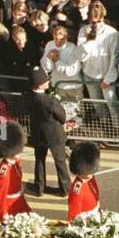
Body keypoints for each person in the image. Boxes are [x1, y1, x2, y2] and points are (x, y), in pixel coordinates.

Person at [25, 67, 73, 195]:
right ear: (41, 84)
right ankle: (65, 188)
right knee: (60, 162)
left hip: (38, 133)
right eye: (46, 81)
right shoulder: (49, 101)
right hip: (54, 135)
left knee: (39, 160)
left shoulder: (28, 96)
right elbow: (62, 117)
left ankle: (39, 187)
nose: (48, 82)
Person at [67, 141, 101, 220]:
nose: (91, 174)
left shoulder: (91, 177)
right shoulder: (77, 190)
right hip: (85, 219)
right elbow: (73, 215)